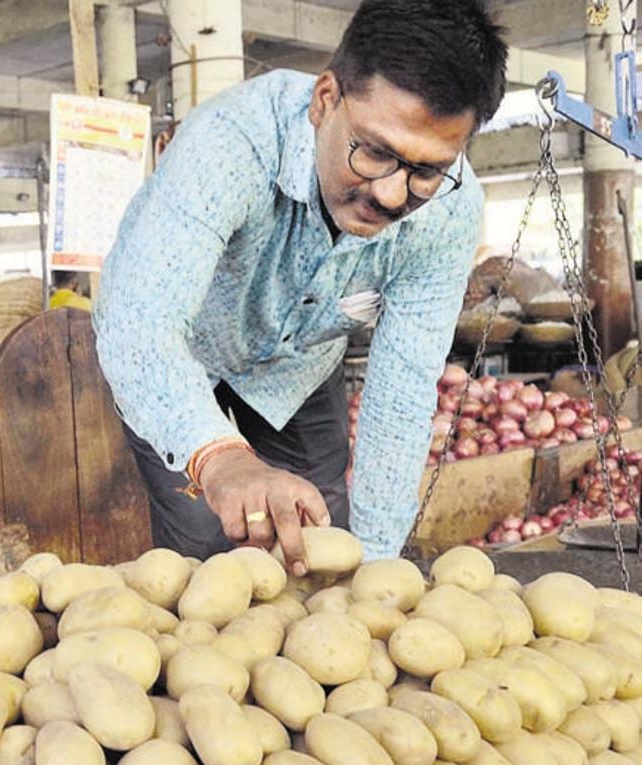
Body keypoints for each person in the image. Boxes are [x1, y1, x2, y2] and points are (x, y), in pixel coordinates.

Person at [93, 0, 507, 573]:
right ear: (326, 99)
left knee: (322, 541)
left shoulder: (449, 211)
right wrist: (218, 456)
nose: (392, 195)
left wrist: (379, 574)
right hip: (182, 355)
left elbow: (404, 386)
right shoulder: (231, 143)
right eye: (376, 153)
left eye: (427, 170)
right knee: (211, 545)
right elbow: (140, 324)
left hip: (299, 366)